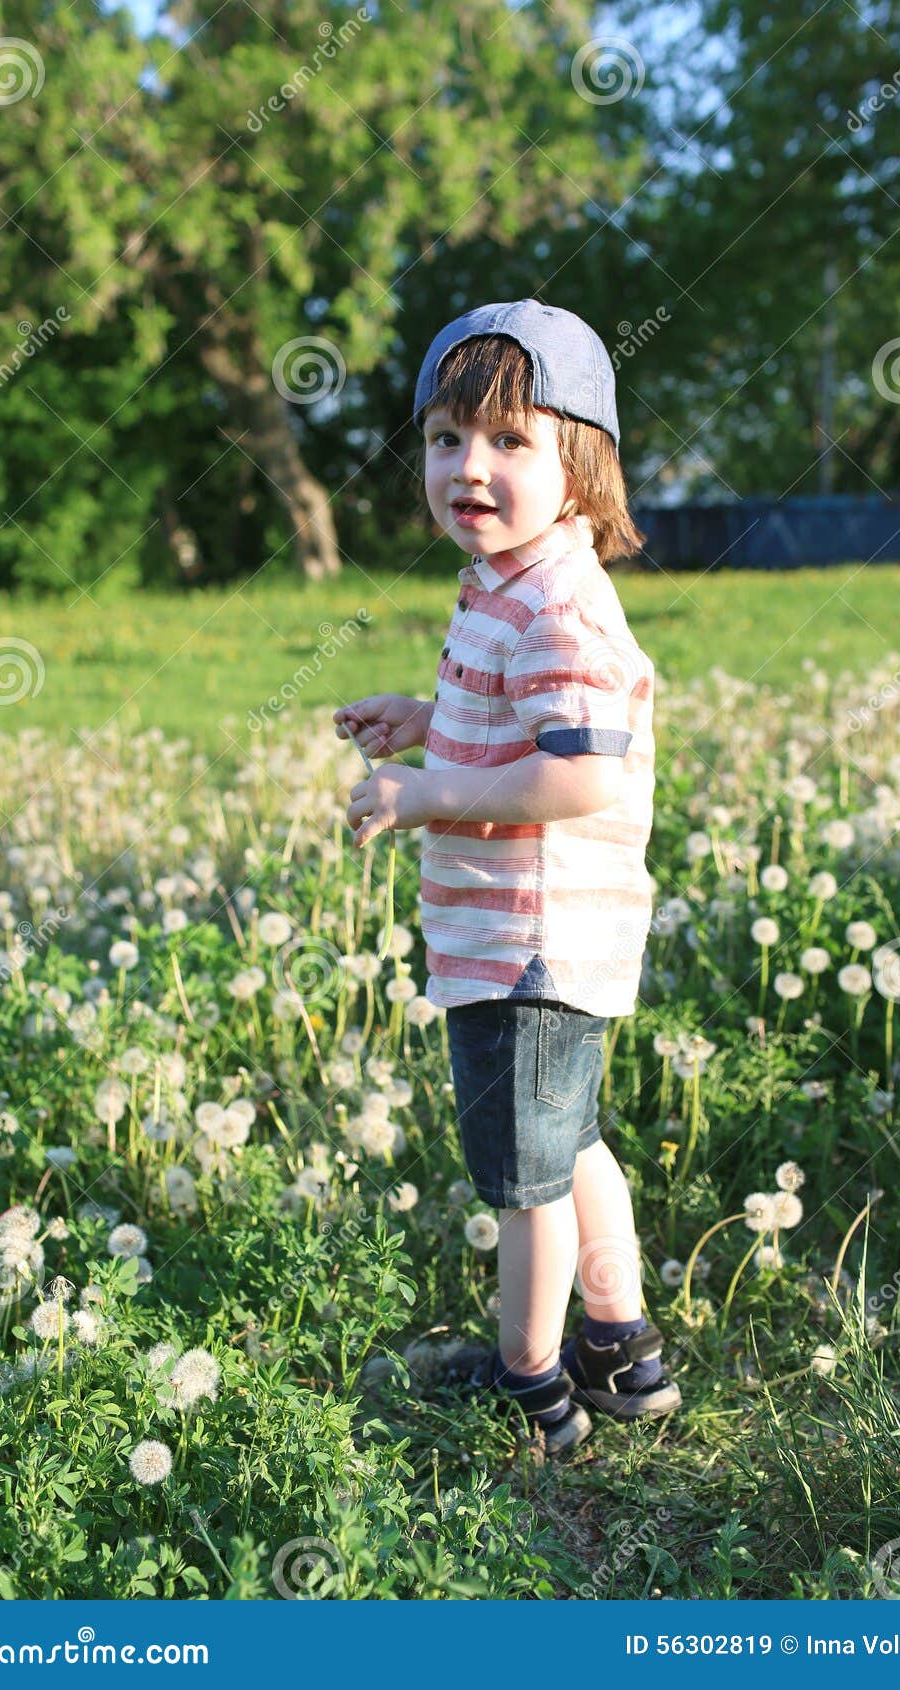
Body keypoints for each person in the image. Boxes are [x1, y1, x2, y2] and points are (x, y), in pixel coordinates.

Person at [334, 299, 681, 1458]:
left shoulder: (555, 600)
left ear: (580, 471)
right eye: (446, 438)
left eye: (508, 440)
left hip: (527, 944)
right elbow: (521, 725)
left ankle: (533, 1388)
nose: (467, 467)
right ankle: (621, 1350)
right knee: (569, 1143)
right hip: (540, 938)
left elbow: (579, 775)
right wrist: (426, 719)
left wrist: (428, 791)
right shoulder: (509, 581)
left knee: (523, 1185)